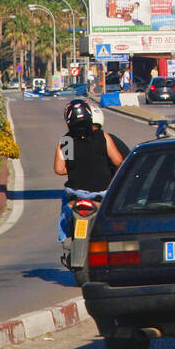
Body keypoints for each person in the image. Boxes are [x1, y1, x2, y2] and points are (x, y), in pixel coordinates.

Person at [53, 99, 125, 252]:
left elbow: (59, 169)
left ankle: (64, 237)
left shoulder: (66, 141)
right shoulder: (103, 137)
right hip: (101, 193)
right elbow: (118, 161)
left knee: (66, 206)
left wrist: (75, 167)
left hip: (76, 194)